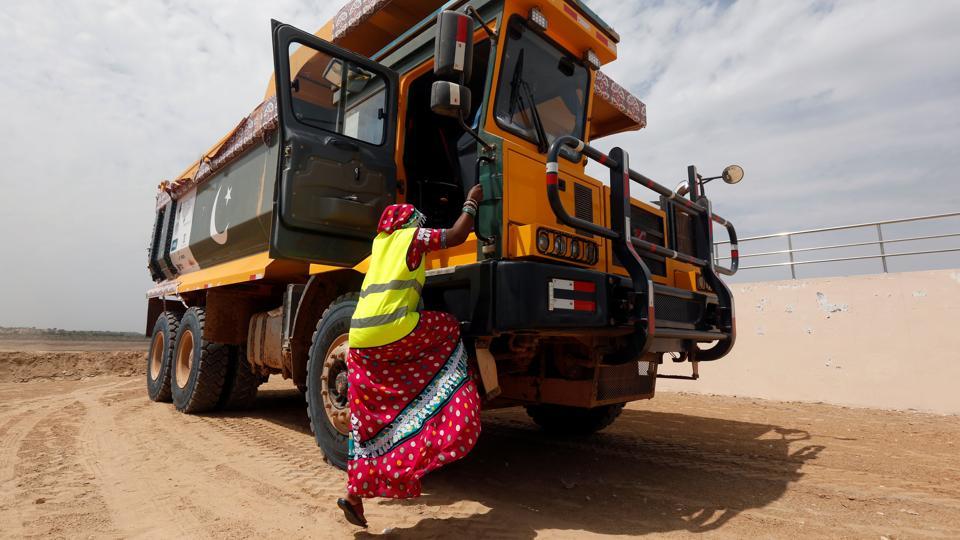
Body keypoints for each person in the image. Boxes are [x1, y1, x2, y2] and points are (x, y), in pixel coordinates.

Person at [337, 185, 485, 528]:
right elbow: (457, 235)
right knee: (448, 328)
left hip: (359, 339)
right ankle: (452, 394)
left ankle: (354, 495)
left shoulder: (380, 244)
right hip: (394, 330)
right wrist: (472, 202)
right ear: (408, 223)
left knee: (366, 420)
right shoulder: (413, 238)